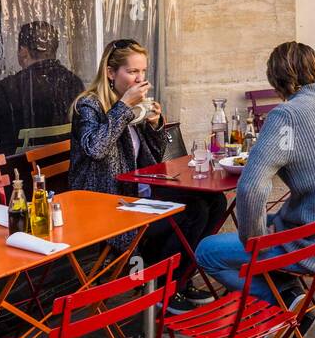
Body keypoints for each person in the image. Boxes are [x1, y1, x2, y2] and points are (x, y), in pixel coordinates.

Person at [195, 42, 315, 325]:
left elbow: (250, 188)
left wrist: (256, 245)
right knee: (271, 219)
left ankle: (288, 302)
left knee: (207, 251)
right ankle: (290, 291)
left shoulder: (286, 115)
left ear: (277, 77)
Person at [69, 39, 217, 313]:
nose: (140, 79)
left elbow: (155, 155)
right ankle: (162, 286)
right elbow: (95, 148)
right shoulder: (88, 106)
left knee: (214, 202)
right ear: (111, 73)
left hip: (138, 193)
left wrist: (154, 125)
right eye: (132, 72)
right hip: (106, 203)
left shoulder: (133, 106)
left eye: (143, 72)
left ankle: (178, 280)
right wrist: (124, 107)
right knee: (192, 212)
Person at [0, 21, 85, 156]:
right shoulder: (74, 83)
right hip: (65, 166)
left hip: (20, 172)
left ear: (24, 52)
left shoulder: (5, 90)